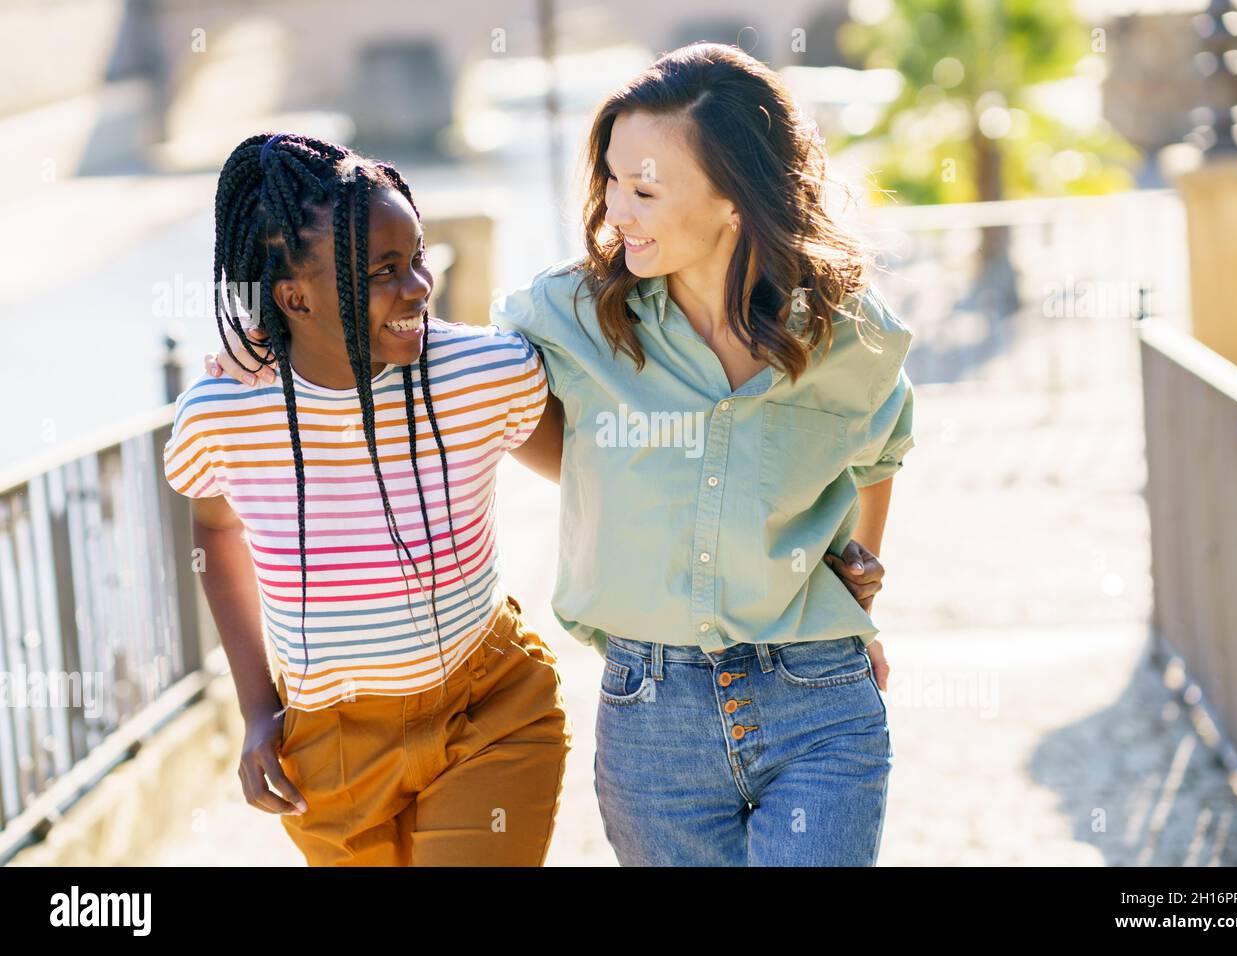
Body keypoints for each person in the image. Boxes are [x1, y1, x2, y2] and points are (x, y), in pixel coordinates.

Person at [210, 42, 916, 867]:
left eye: (645, 189)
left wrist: (858, 577)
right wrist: (274, 340)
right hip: (653, 720)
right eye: (611, 180)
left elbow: (878, 453)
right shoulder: (570, 315)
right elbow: (434, 357)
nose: (617, 209)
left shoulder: (849, 332)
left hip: (818, 698)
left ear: (737, 199)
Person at [164, 132, 570, 866]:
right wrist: (258, 711)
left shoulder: (483, 372)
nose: (418, 286)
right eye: (385, 271)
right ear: (293, 297)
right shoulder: (223, 416)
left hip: (489, 711)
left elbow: (597, 471)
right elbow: (216, 534)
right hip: (330, 752)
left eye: (416, 258)